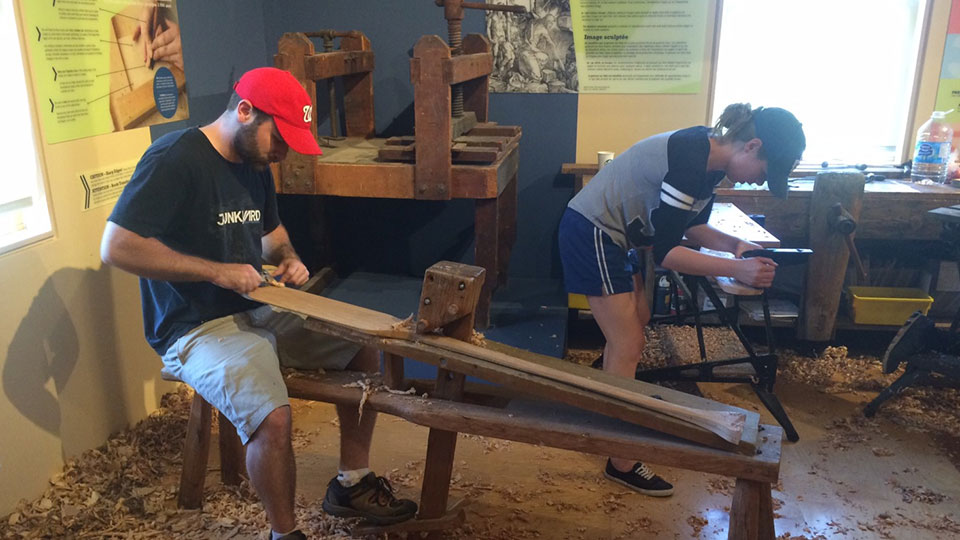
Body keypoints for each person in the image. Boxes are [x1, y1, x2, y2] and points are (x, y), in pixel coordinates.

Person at [100, 67, 417, 540]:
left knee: (362, 345)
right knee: (274, 418)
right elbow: (116, 247)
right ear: (245, 111)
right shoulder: (174, 159)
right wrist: (216, 270)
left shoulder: (255, 164)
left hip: (257, 304)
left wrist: (289, 259)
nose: (283, 152)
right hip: (193, 327)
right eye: (280, 138)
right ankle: (283, 534)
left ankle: (351, 482)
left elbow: (270, 233)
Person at [558, 103, 806, 497]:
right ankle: (619, 459)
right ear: (752, 146)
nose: (759, 183)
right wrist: (733, 269)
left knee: (634, 325)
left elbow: (691, 226)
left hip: (620, 235)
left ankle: (613, 402)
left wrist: (735, 245)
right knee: (628, 342)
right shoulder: (692, 161)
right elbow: (667, 251)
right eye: (763, 172)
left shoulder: (711, 159)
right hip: (593, 231)